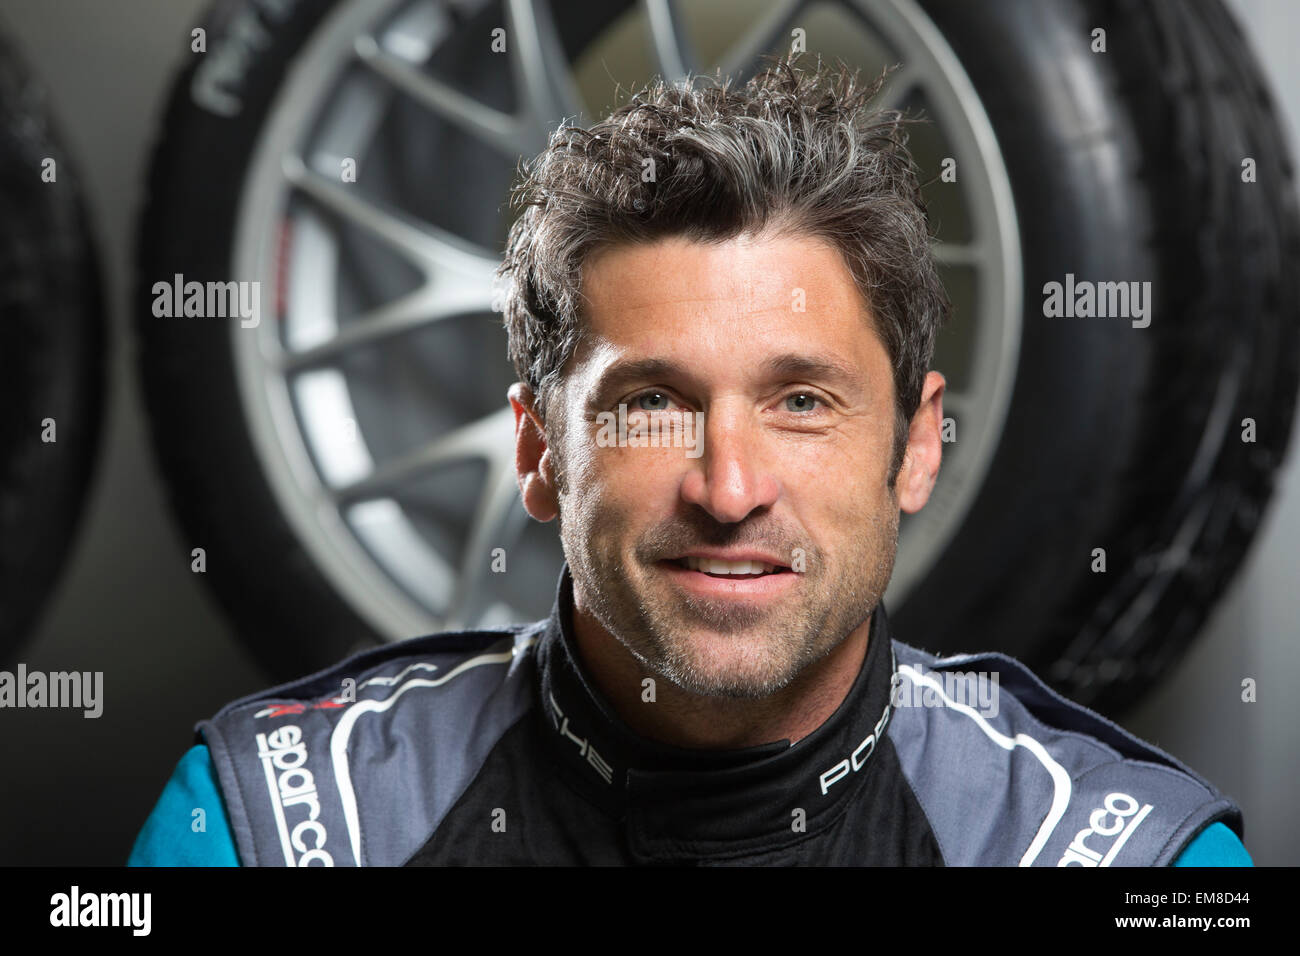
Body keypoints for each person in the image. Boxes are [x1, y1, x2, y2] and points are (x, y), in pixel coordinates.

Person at [129, 54, 1250, 867]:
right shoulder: (273, 824)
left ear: (914, 445)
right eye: (652, 403)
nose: (727, 488)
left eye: (801, 400)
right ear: (537, 448)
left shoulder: (1127, 860)